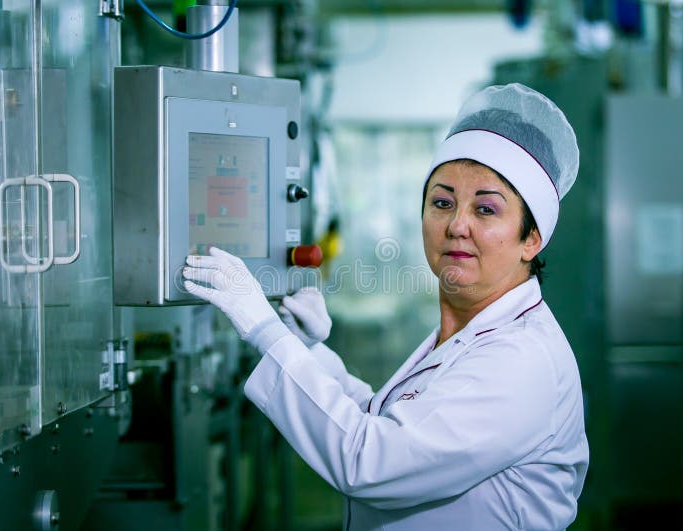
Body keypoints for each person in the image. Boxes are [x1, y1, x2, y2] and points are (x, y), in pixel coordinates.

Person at [182, 83, 589, 530]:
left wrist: (265, 330)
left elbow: (369, 462)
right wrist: (309, 349)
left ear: (532, 238)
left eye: (486, 210)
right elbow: (383, 422)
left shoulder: (521, 359)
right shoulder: (470, 331)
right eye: (442, 202)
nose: (457, 225)